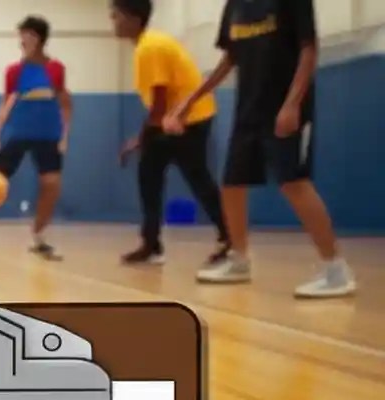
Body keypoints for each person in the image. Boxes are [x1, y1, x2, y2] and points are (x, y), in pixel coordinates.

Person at [166, 0, 355, 297]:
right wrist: (190, 100)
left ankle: (336, 270)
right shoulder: (235, 6)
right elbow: (230, 59)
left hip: (285, 108)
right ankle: (240, 260)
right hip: (248, 111)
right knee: (232, 184)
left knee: (293, 183)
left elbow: (308, 49)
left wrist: (292, 104)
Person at [111, 0, 229, 267]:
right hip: (177, 118)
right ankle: (152, 244)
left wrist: (140, 138)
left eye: (116, 15)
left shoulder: (150, 48)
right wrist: (143, 138)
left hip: (187, 119)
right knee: (151, 175)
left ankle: (229, 238)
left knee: (195, 178)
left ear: (133, 18)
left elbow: (160, 103)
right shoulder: (148, 44)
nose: (113, 21)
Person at [0, 15, 70, 259]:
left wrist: (64, 136)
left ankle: (39, 237)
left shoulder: (56, 69)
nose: (21, 42)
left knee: (51, 185)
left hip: (48, 136)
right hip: (20, 134)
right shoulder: (15, 71)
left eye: (25, 36)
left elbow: (65, 104)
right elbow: (6, 104)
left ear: (38, 39)